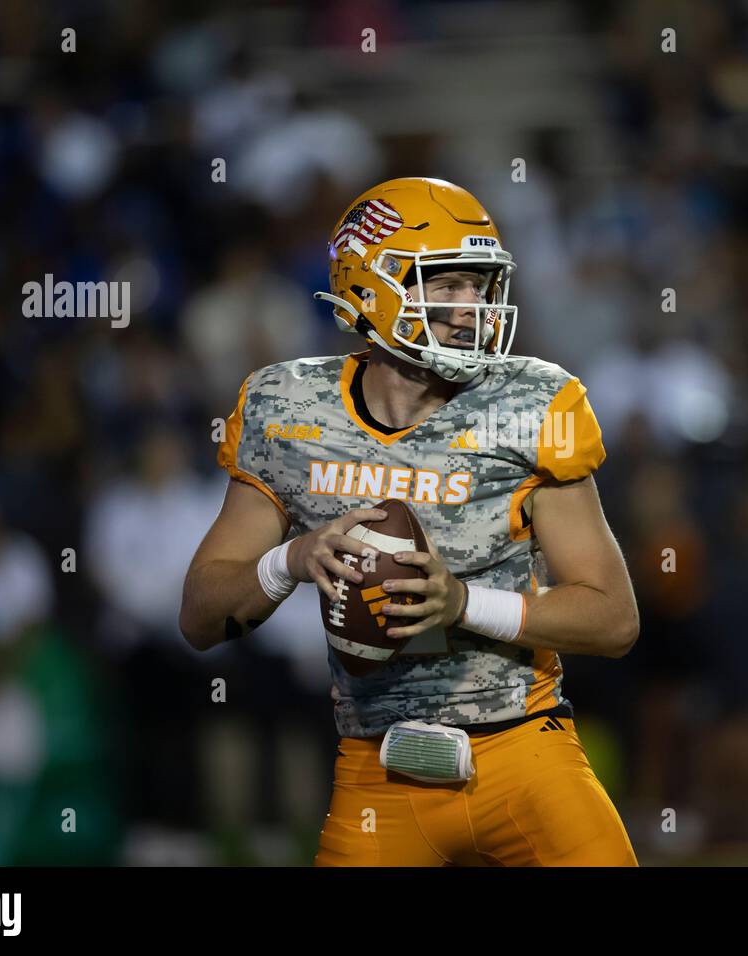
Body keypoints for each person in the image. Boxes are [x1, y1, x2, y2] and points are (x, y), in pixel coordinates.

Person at [179, 177, 639, 866]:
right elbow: (200, 616)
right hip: (377, 771)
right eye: (445, 285)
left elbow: (613, 619)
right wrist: (292, 560)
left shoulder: (531, 403)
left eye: (479, 286)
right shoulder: (289, 407)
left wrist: (460, 603)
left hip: (524, 754)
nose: (471, 308)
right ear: (370, 288)